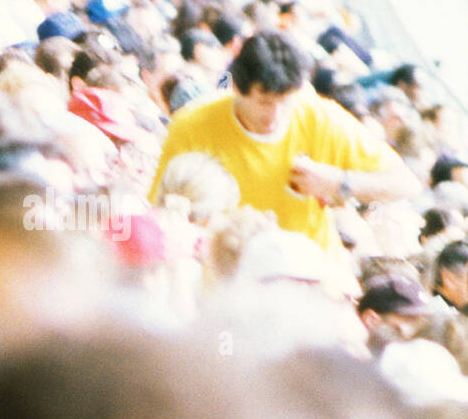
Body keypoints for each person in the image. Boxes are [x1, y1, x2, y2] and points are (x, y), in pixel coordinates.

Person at [149, 31, 421, 262]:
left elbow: (406, 183)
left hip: (307, 270)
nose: (276, 114)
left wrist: (340, 183)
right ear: (238, 90)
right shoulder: (193, 125)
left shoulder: (320, 117)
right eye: (265, 102)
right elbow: (160, 210)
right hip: (226, 268)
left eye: (286, 100)